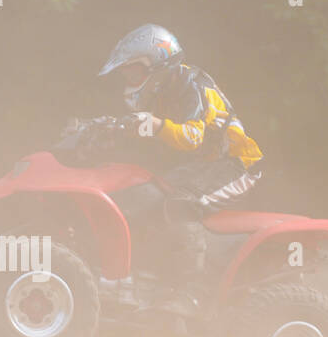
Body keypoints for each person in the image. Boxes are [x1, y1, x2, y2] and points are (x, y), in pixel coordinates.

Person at [97, 23, 264, 305]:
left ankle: (193, 293)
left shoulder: (192, 86)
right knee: (147, 194)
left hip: (239, 165)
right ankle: (147, 277)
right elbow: (145, 128)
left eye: (134, 70)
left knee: (180, 202)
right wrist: (105, 129)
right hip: (207, 166)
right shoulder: (166, 92)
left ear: (158, 64)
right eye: (126, 72)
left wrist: (155, 124)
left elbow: (191, 137)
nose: (129, 78)